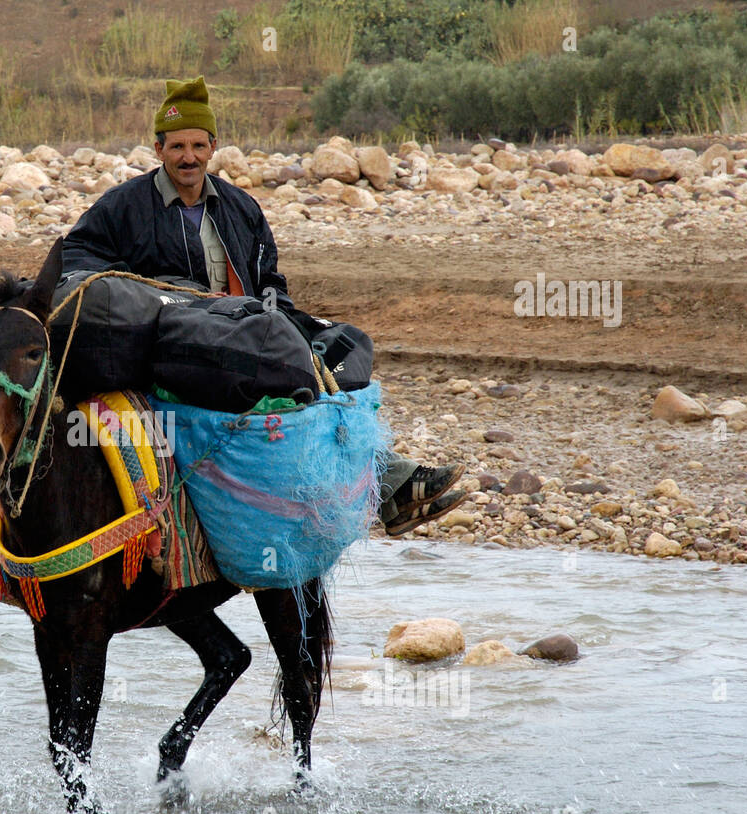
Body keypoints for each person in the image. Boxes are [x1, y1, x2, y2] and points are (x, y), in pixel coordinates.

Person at [61, 76, 465, 536]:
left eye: (197, 145)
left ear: (213, 146)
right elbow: (77, 263)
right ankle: (392, 487)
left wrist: (287, 322)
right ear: (158, 150)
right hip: (178, 342)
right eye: (176, 147)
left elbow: (269, 280)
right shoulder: (123, 207)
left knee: (343, 349)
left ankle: (384, 487)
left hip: (251, 330)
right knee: (297, 380)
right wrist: (162, 294)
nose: (187, 157)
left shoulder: (241, 207)